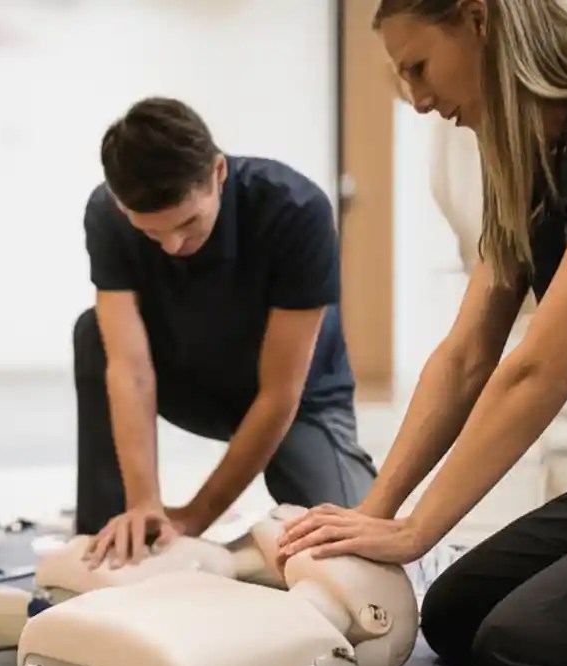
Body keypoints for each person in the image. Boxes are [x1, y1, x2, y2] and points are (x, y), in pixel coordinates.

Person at [278, 0, 567, 666]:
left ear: (479, 22)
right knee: (455, 612)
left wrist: (419, 529)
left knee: (525, 646)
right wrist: (377, 518)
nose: (415, 100)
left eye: (419, 67)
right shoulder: (532, 160)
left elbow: (538, 369)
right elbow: (468, 355)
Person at [77, 96, 376, 568]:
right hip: (188, 379)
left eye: (187, 224)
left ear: (218, 173)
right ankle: (109, 532)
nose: (173, 246)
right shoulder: (106, 215)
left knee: (347, 552)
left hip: (298, 402)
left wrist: (196, 517)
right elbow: (130, 371)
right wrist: (144, 503)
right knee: (93, 333)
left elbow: (280, 395)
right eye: (152, 234)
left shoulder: (297, 211)